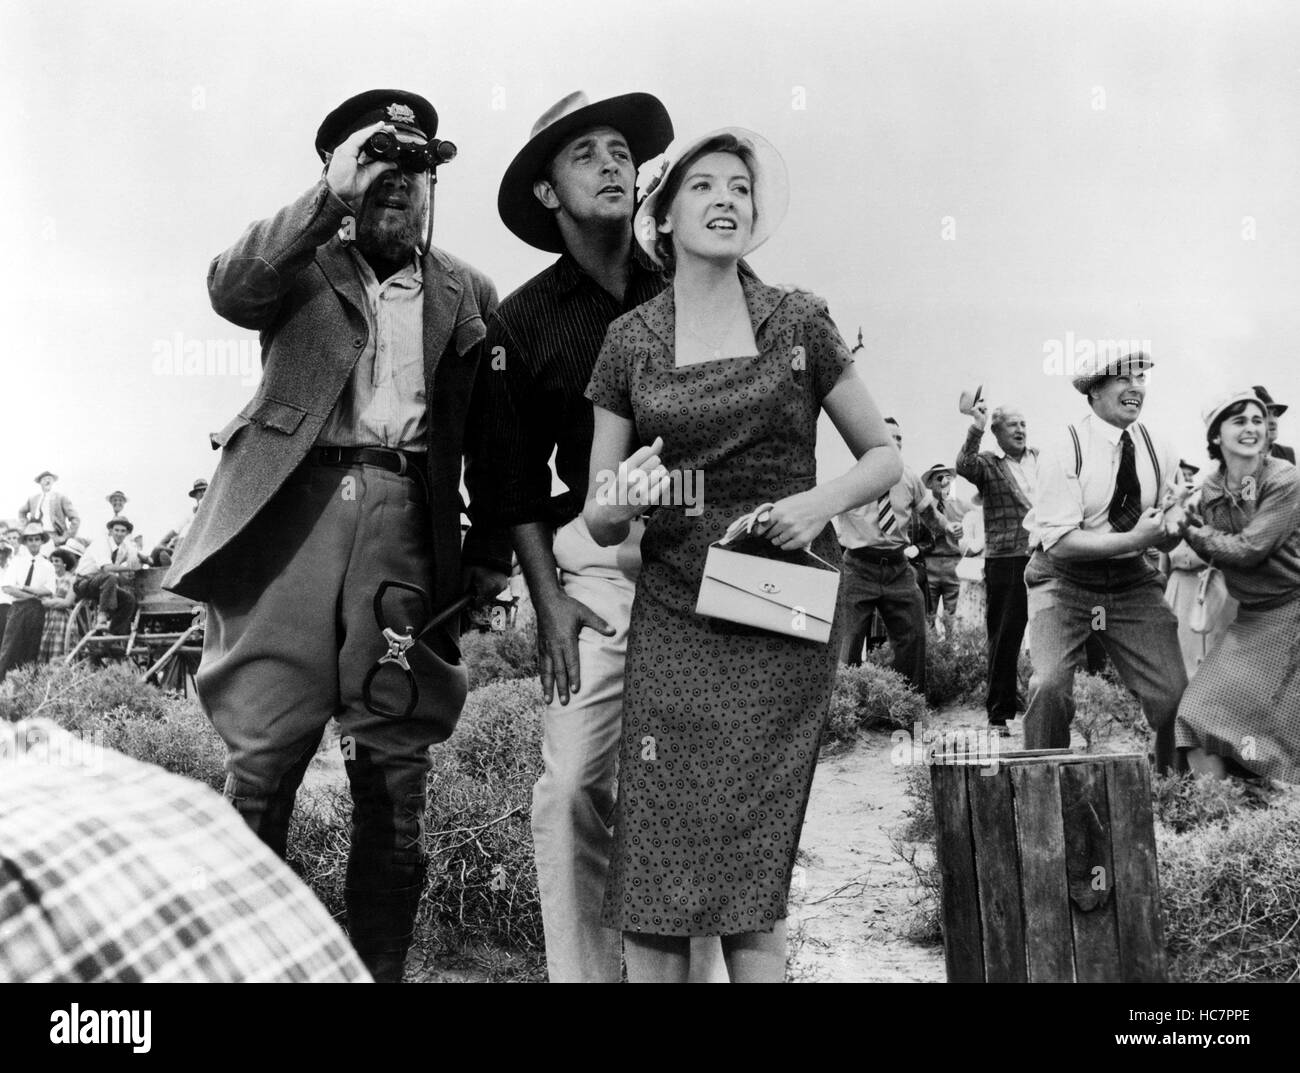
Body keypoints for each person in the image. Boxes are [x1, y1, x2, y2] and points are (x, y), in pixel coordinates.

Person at [162, 90, 509, 982]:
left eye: (418, 170)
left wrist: (485, 556)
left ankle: (376, 971)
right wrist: (327, 195)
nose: (402, 184)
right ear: (344, 174)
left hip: (405, 523)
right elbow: (227, 286)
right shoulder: (299, 264)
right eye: (379, 166)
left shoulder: (467, 290)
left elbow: (495, 437)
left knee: (395, 751)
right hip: (293, 521)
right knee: (265, 748)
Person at [583, 127, 900, 982]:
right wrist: (630, 497)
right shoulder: (629, 341)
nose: (726, 200)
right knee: (654, 862)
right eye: (704, 187)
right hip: (675, 613)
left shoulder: (799, 320)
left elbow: (883, 456)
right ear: (664, 213)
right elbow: (599, 517)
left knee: (748, 867)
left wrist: (815, 503)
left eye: (741, 189)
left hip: (775, 607)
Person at [467, 91, 679, 982]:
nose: (612, 164)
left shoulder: (692, 285)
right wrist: (548, 599)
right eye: (585, 153)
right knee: (571, 791)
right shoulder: (517, 323)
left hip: (706, 561)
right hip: (594, 568)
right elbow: (508, 484)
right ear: (548, 193)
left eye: (622, 150)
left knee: (684, 792)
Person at [1022, 351, 1185, 773]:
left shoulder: (1159, 447)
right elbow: (1058, 543)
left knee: (1173, 692)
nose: (1136, 387)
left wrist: (1178, 523)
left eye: (1141, 379)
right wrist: (1137, 537)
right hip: (1064, 581)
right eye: (1122, 379)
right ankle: (1041, 783)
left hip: (1131, 581)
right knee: (1049, 686)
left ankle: (1169, 785)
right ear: (1093, 391)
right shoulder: (1064, 447)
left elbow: (1170, 521)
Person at [1175, 391, 1300, 784]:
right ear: (1216, 436)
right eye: (1239, 421)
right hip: (1252, 617)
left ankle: (1275, 828)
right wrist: (1170, 512)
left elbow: (1250, 549)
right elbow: (1174, 534)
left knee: (1285, 731)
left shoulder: (1284, 478)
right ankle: (1217, 818)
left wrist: (1189, 530)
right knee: (1194, 715)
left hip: (1293, 609)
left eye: (1257, 420)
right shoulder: (1210, 487)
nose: (1252, 428)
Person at [834, 417, 939, 692]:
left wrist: (948, 527)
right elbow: (824, 518)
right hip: (858, 568)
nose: (896, 443)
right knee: (848, 643)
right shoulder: (851, 477)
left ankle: (908, 709)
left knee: (914, 637)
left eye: (900, 438)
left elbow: (930, 513)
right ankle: (847, 709)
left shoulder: (910, 477)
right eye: (890, 437)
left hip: (898, 568)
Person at [956, 399, 1037, 731]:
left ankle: (1058, 709)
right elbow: (963, 464)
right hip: (1007, 560)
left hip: (1047, 555)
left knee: (1057, 633)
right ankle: (999, 715)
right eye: (1012, 425)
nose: (1020, 429)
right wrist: (976, 424)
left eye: (1023, 424)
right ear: (996, 432)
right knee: (1005, 636)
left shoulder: (1041, 460)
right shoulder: (988, 463)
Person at [0, 523, 55, 681]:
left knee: (32, 649)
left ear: (41, 541)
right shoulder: (17, 562)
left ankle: (28, 687)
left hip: (37, 611)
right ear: (25, 542)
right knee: (9, 648)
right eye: (30, 539)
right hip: (17, 608)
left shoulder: (47, 565)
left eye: (36, 539)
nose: (33, 543)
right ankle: (2, 686)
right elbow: (8, 588)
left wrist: (26, 590)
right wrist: (32, 594)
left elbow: (49, 590)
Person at [919, 463, 970, 624]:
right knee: (928, 615)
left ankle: (949, 649)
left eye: (948, 478)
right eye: (939, 478)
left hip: (953, 564)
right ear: (930, 484)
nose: (944, 482)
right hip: (929, 565)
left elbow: (975, 530)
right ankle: (929, 648)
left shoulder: (963, 507)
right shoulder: (923, 508)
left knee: (952, 617)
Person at [74, 517, 140, 635]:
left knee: (128, 600)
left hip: (102, 586)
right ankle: (102, 618)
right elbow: (107, 568)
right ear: (110, 531)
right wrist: (130, 568)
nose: (119, 534)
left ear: (127, 533)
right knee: (110, 577)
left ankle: (114, 635)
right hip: (83, 582)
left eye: (123, 531)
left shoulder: (124, 547)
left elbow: (136, 554)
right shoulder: (102, 543)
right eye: (116, 530)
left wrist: (148, 560)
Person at [150, 479, 207, 566]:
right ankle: (167, 566)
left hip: (198, 543)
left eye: (205, 490)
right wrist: (161, 543)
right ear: (195, 495)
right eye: (199, 491)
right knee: (157, 550)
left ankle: (171, 566)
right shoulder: (190, 513)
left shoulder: (211, 510)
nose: (203, 493)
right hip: (181, 544)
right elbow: (175, 530)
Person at [38, 546, 79, 663]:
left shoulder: (72, 579)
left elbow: (68, 602)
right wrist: (57, 601)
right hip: (49, 619)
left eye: (56, 561)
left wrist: (53, 602)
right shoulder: (49, 579)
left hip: (64, 620)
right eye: (51, 561)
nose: (53, 564)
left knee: (61, 650)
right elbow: (43, 601)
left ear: (65, 563)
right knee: (46, 651)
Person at [18, 471, 79, 548]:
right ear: (40, 482)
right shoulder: (33, 499)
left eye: (49, 479)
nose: (47, 481)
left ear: (53, 482)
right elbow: (21, 512)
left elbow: (75, 519)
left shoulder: (61, 498)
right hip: (37, 536)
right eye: (44, 479)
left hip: (55, 536)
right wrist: (25, 527)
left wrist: (66, 536)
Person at [954, 493, 987, 630]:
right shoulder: (972, 517)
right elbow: (965, 549)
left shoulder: (1009, 519)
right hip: (974, 578)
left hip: (1000, 577)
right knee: (970, 621)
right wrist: (986, 536)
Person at [1251, 385, 1295, 464]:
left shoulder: (1287, 453)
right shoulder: (1241, 456)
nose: (1273, 421)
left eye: (1275, 414)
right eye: (1266, 414)